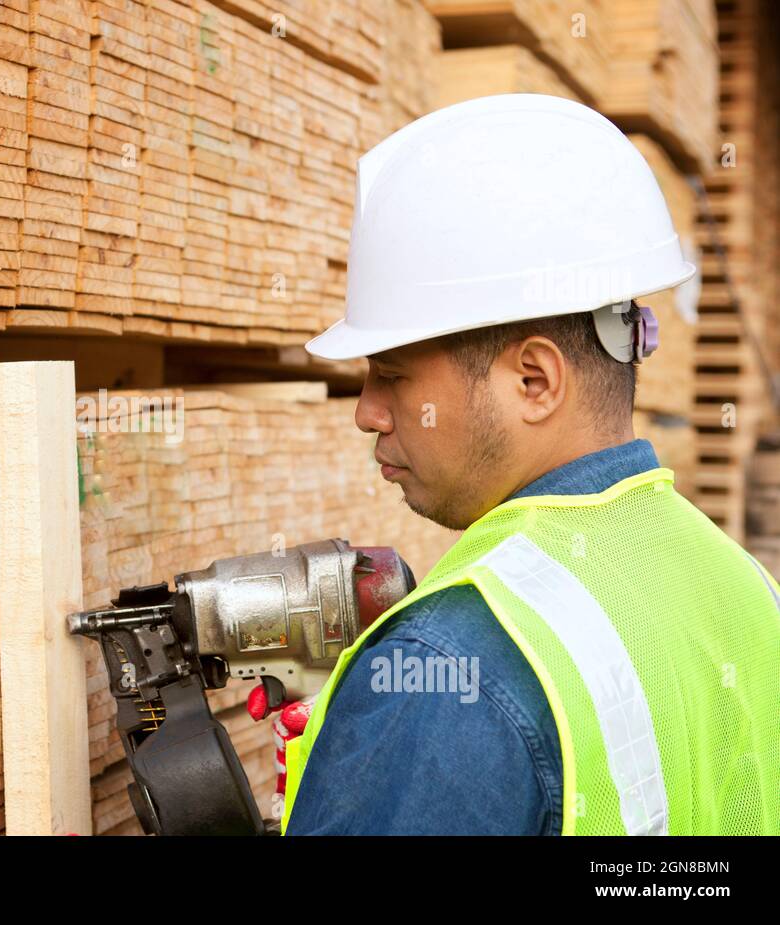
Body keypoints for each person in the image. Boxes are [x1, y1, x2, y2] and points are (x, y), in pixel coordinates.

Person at [280, 94, 780, 835]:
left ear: (534, 382)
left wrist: (392, 734)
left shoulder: (447, 670)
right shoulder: (746, 587)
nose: (367, 411)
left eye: (391, 373)